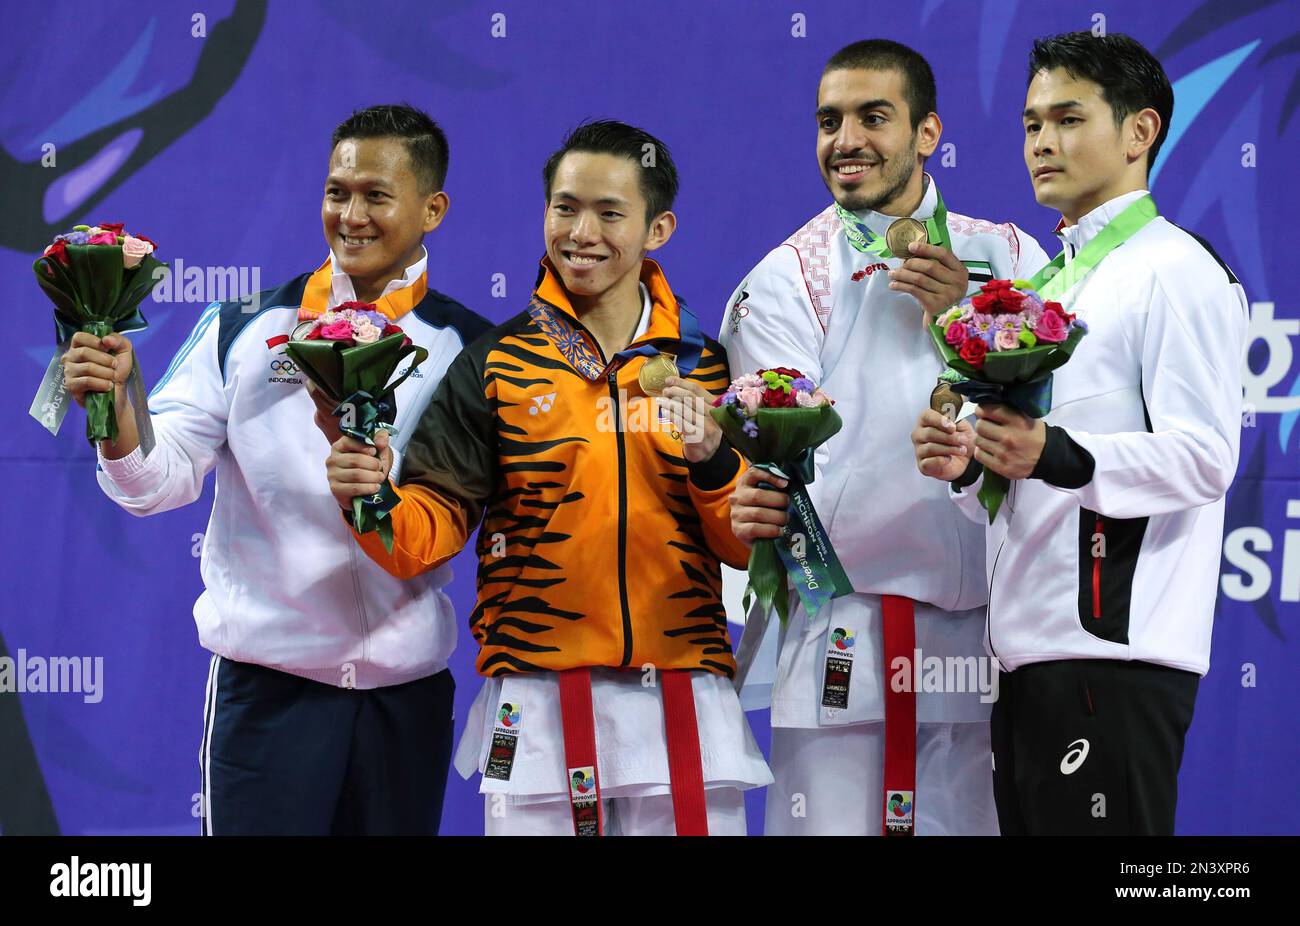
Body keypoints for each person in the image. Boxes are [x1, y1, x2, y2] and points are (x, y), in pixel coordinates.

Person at [326, 120, 771, 836]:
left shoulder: (707, 366)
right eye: (565, 207)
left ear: (658, 228)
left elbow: (751, 550)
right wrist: (373, 500)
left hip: (685, 702)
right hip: (535, 708)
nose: (581, 232)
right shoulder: (494, 364)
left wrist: (714, 458)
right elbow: (429, 532)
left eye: (609, 213)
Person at [61, 104, 490, 835]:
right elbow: (152, 483)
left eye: (376, 196)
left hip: (405, 702)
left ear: (432, 208)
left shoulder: (471, 348)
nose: (350, 214)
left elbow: (467, 515)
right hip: (269, 701)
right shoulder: (246, 327)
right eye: (336, 191)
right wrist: (113, 410)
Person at [911, 31, 1248, 835]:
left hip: (1116, 658)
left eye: (1067, 119)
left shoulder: (1175, 270)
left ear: (1141, 132)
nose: (1042, 143)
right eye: (1031, 125)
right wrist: (969, 465)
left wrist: (1051, 452)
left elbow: (1207, 459)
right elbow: (1021, 485)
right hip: (1029, 657)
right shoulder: (1044, 288)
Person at [723, 39, 1050, 836]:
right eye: (829, 121)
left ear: (928, 132)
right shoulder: (785, 277)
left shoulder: (1007, 255)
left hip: (982, 635)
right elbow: (782, 455)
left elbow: (1051, 422)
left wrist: (955, 323)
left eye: (874, 117)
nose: (847, 141)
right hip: (842, 631)